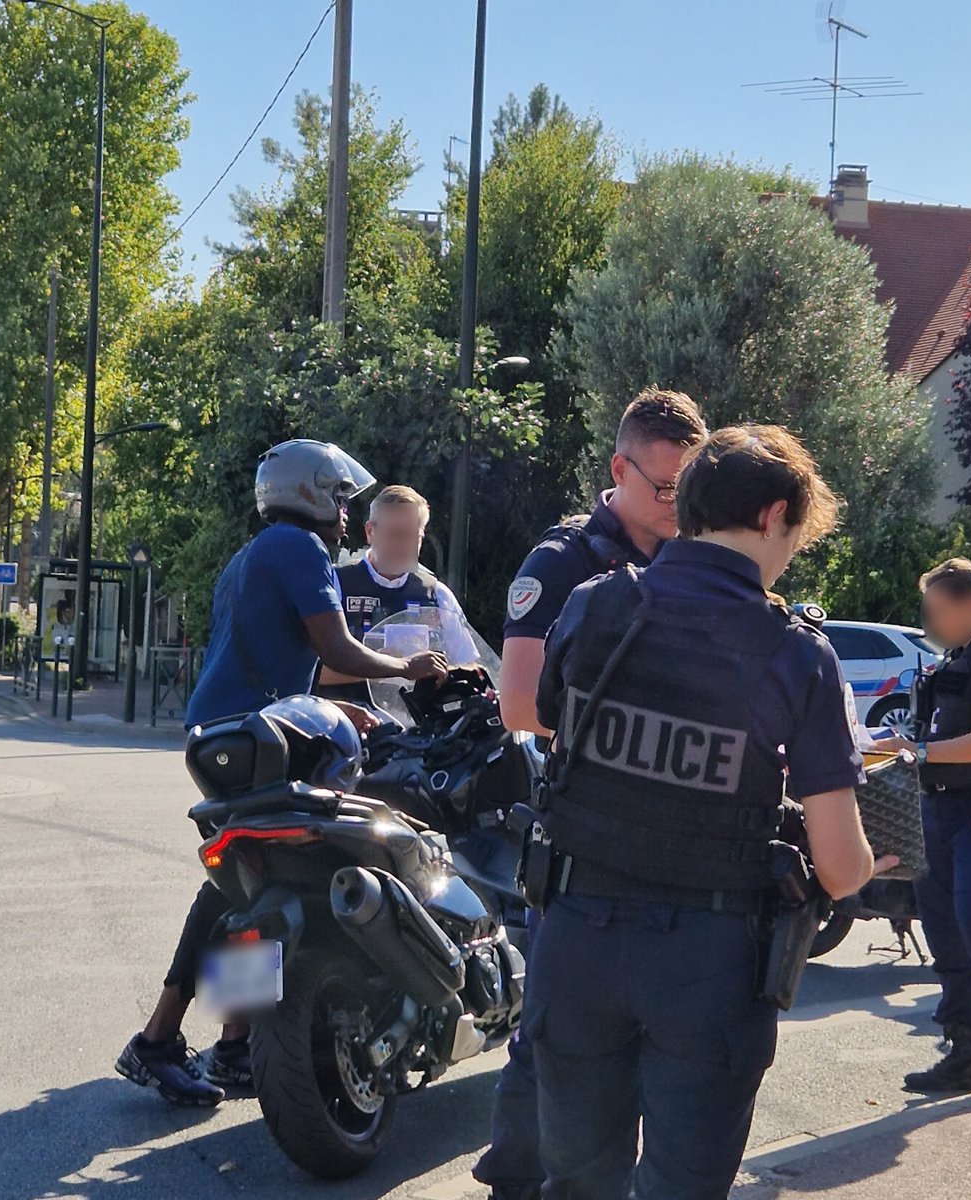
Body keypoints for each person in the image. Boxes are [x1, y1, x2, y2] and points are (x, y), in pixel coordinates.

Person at [527, 424, 890, 1200]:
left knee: (576, 1184)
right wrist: (871, 865)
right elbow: (838, 863)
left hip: (575, 940)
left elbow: (551, 720)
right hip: (707, 965)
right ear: (773, 515)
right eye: (797, 531)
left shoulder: (595, 605)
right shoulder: (795, 652)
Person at [116, 440, 448, 1107]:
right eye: (342, 500)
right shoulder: (300, 549)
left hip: (231, 733)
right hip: (257, 736)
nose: (348, 514)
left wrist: (331, 709)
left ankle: (235, 1044)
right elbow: (333, 647)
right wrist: (406, 668)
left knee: (256, 884)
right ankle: (158, 1039)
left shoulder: (252, 554)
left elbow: (274, 659)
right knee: (233, 890)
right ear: (313, 494)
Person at [475, 388, 707, 1200]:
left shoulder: (687, 557)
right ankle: (514, 1178)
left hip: (658, 831)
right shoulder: (564, 560)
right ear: (619, 469)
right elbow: (518, 704)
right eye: (667, 488)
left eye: (692, 487)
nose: (681, 506)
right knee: (554, 1031)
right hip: (576, 827)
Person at [874, 557, 971, 1094]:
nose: (929, 622)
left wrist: (918, 750)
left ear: (970, 603)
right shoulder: (950, 662)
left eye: (938, 610)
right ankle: (967, 1054)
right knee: (944, 931)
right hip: (938, 811)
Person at [319, 484, 476, 705]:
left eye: (412, 535)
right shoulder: (336, 584)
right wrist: (388, 666)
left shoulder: (436, 594)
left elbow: (469, 665)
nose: (402, 545)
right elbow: (308, 672)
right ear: (370, 532)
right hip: (348, 724)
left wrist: (437, 670)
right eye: (394, 533)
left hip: (419, 730)